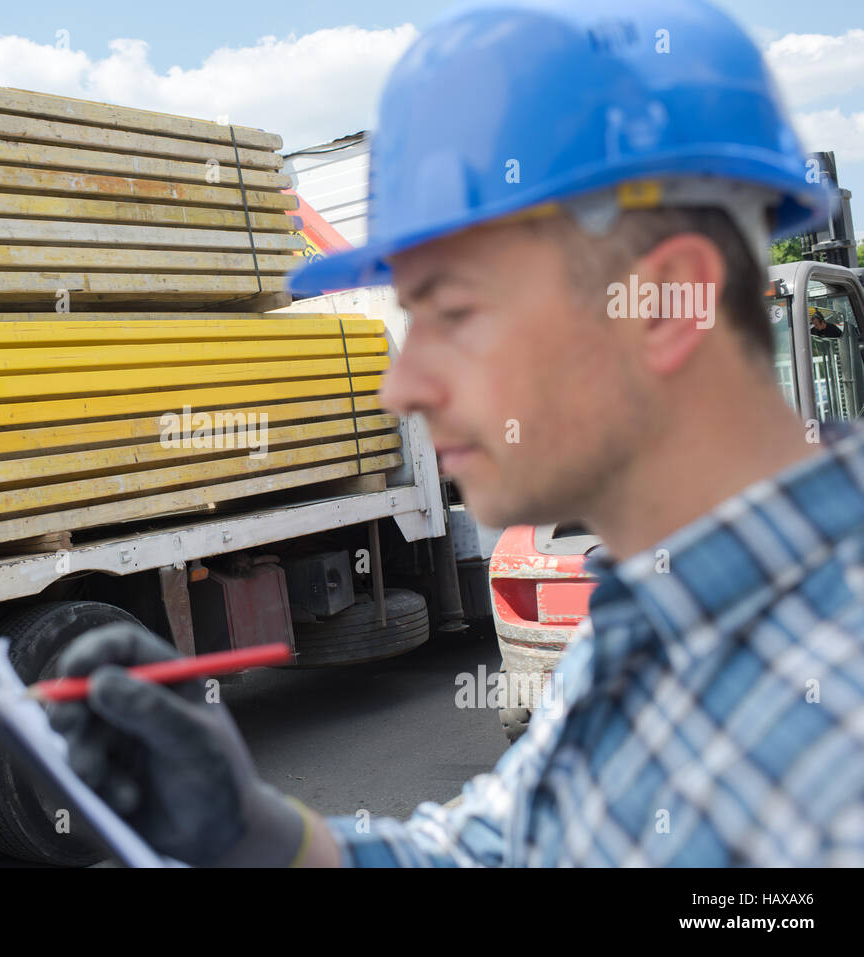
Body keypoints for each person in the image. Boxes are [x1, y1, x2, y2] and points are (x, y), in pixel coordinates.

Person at [47, 0, 864, 866]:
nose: (402, 385)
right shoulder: (645, 625)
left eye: (456, 311)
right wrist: (264, 836)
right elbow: (496, 849)